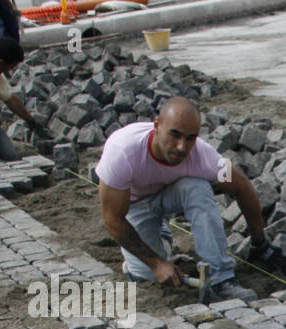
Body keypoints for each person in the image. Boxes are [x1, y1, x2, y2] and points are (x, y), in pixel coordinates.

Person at [95, 96, 275, 303]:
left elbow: (243, 188)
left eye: (190, 138)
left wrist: (259, 242)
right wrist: (156, 264)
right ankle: (158, 243)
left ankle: (221, 278)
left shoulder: (204, 156)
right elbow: (113, 220)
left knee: (198, 188)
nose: (182, 147)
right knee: (145, 277)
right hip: (134, 205)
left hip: (170, 194)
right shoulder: (123, 151)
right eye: (175, 135)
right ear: (157, 125)